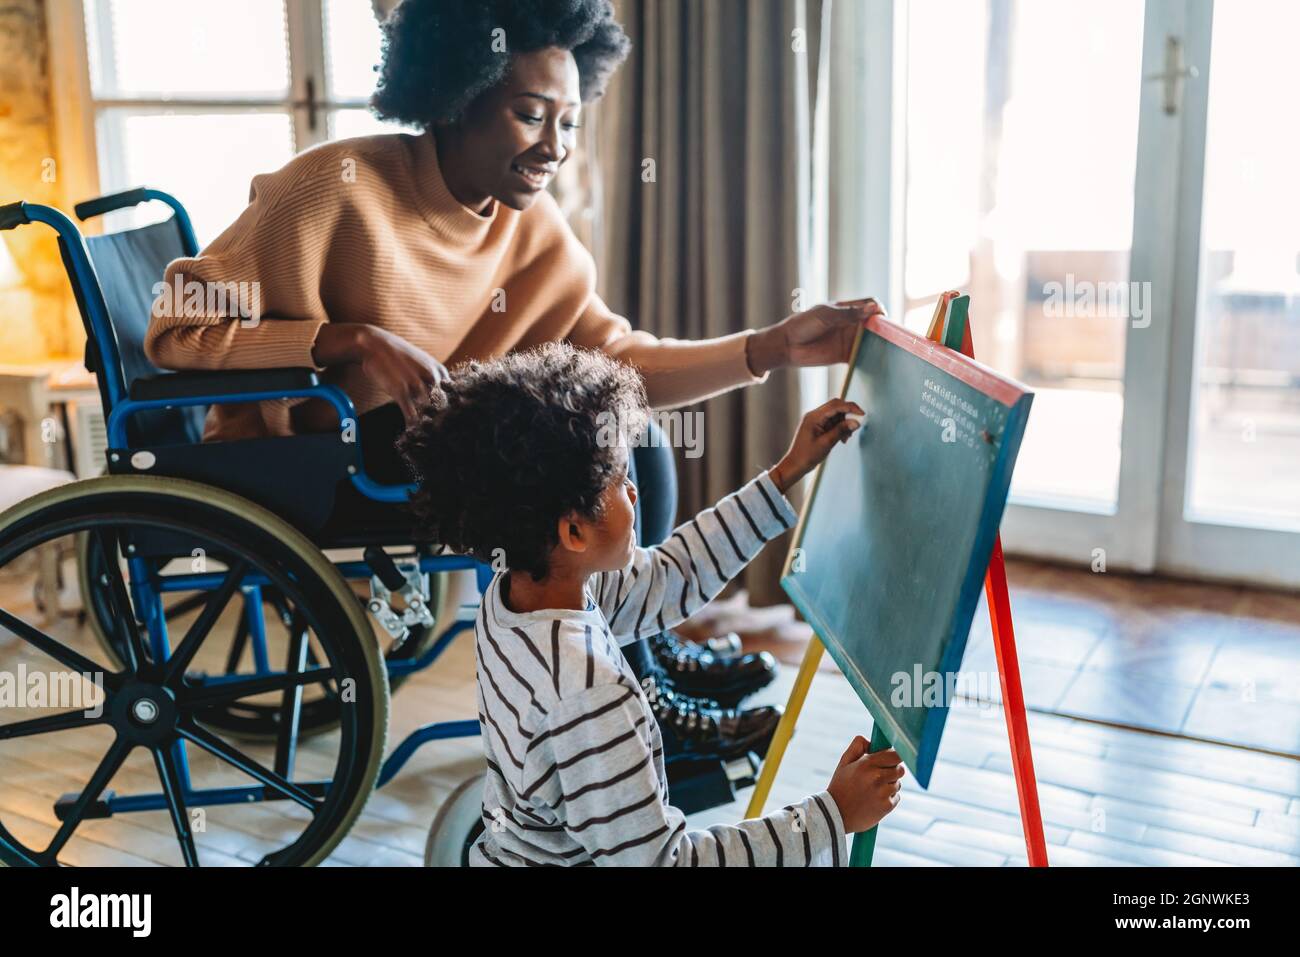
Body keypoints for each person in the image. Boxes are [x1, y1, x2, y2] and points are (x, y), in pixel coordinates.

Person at [142, 0, 881, 747]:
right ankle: (642, 676)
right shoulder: (330, 191)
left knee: (627, 420)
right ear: (456, 97)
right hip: (311, 453)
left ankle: (643, 658)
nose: (554, 146)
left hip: (419, 441)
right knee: (585, 441)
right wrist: (349, 340)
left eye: (568, 121)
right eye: (531, 115)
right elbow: (174, 329)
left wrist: (773, 346)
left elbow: (619, 359)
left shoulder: (526, 224)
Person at [398, 343, 904, 866]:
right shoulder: (590, 694)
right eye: (621, 479)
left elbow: (670, 576)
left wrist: (785, 473)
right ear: (573, 530)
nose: (635, 493)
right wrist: (832, 815)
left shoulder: (517, 596)